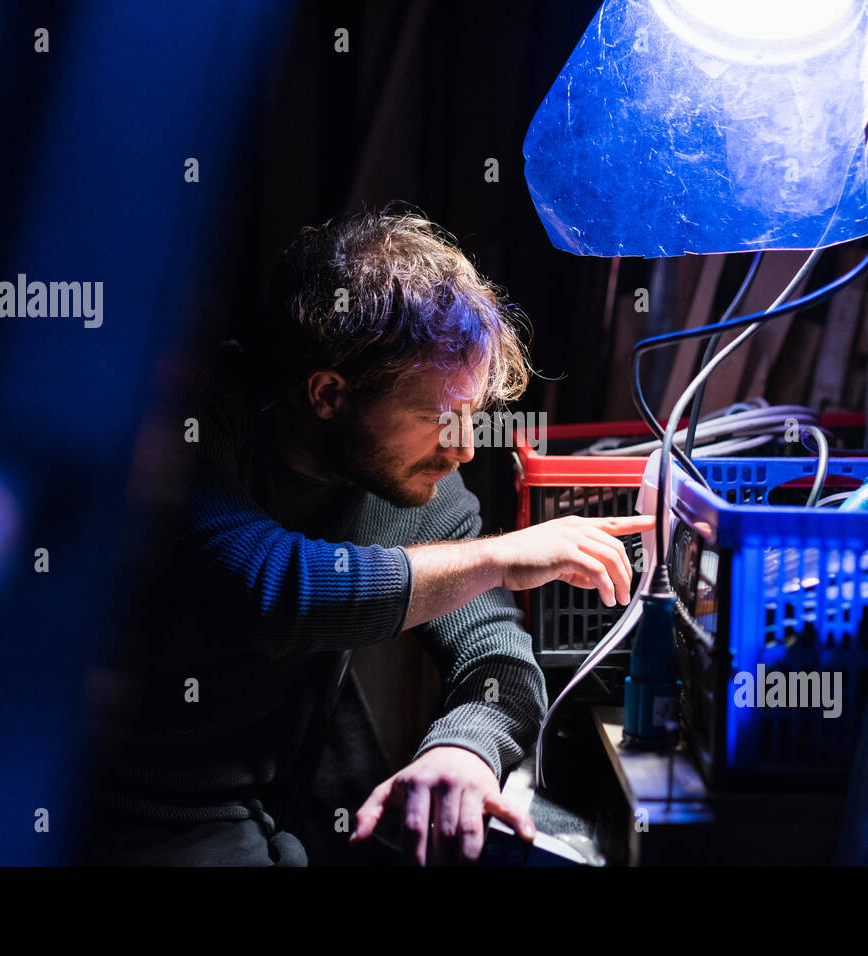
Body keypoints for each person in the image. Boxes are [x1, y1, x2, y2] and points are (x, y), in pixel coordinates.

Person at [82, 207, 651, 866]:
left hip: (293, 812)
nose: (464, 448)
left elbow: (498, 655)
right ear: (329, 394)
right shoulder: (189, 424)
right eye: (440, 417)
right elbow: (273, 588)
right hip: (143, 819)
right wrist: (497, 557)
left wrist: (463, 749)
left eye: (471, 416)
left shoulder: (412, 482)